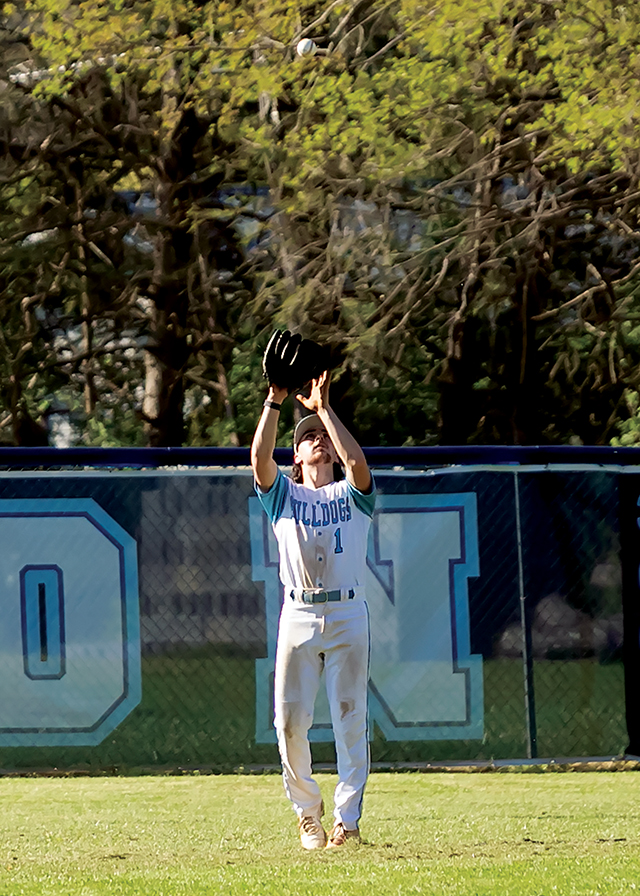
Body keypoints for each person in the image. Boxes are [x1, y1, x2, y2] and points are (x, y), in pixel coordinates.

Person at [251, 369, 376, 850]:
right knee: (289, 720)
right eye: (308, 440)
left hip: (347, 614)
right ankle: (308, 813)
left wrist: (323, 409)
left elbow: (358, 463)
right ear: (297, 457)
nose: (317, 442)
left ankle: (346, 820)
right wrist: (275, 401)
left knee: (350, 717)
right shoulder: (284, 495)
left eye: (322, 437)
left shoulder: (351, 495)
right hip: (298, 615)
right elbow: (259, 459)